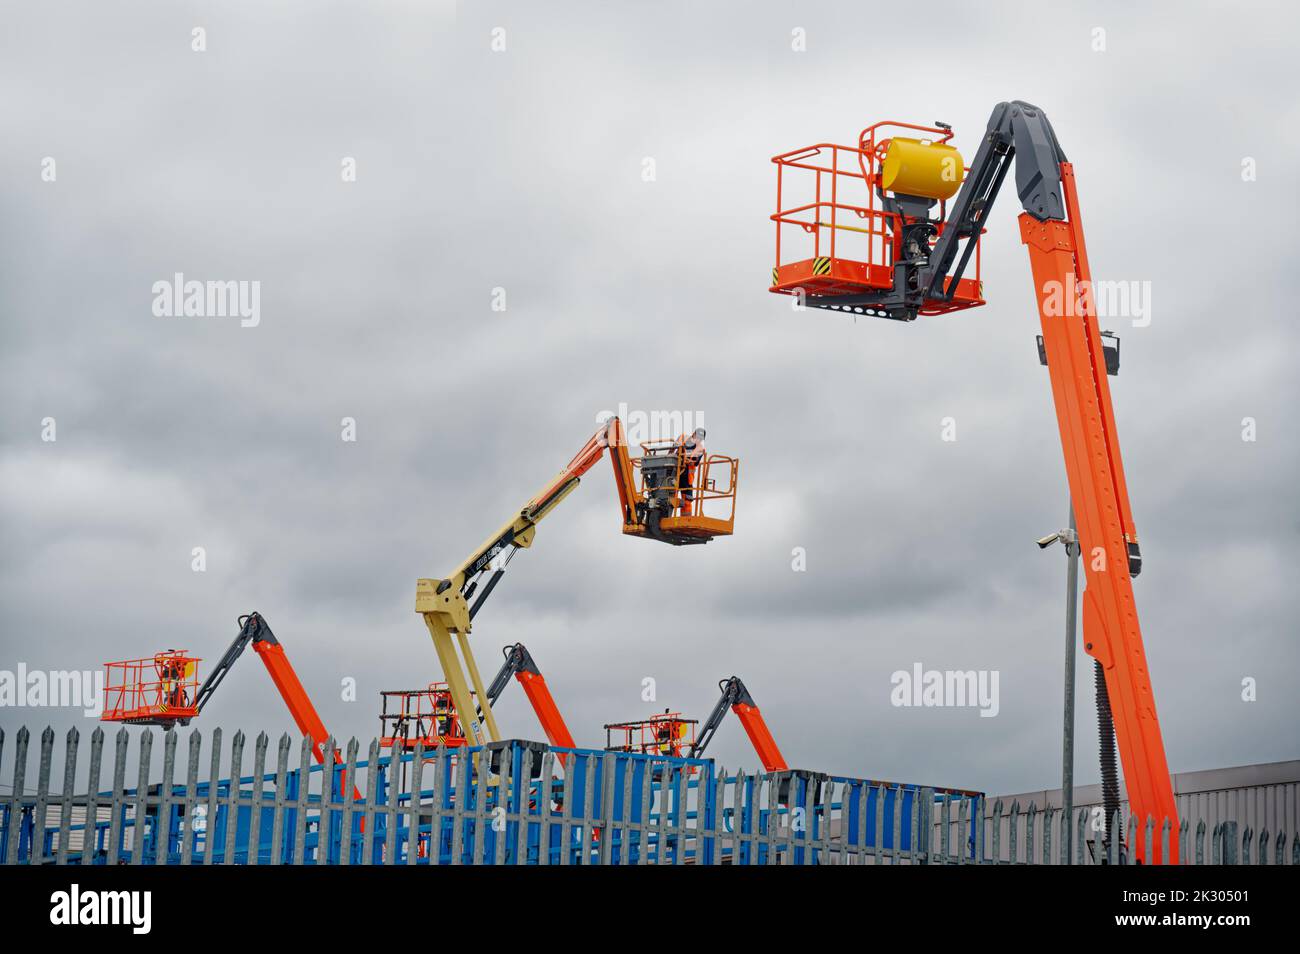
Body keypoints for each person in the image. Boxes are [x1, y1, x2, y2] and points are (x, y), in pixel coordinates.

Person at [675, 427, 706, 516]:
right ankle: (664, 518)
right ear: (693, 434)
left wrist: (686, 459)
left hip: (687, 477)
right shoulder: (683, 437)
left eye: (700, 438)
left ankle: (685, 520)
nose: (698, 439)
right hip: (674, 473)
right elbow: (672, 449)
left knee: (687, 501)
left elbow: (695, 463)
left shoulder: (700, 449)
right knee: (668, 499)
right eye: (697, 436)